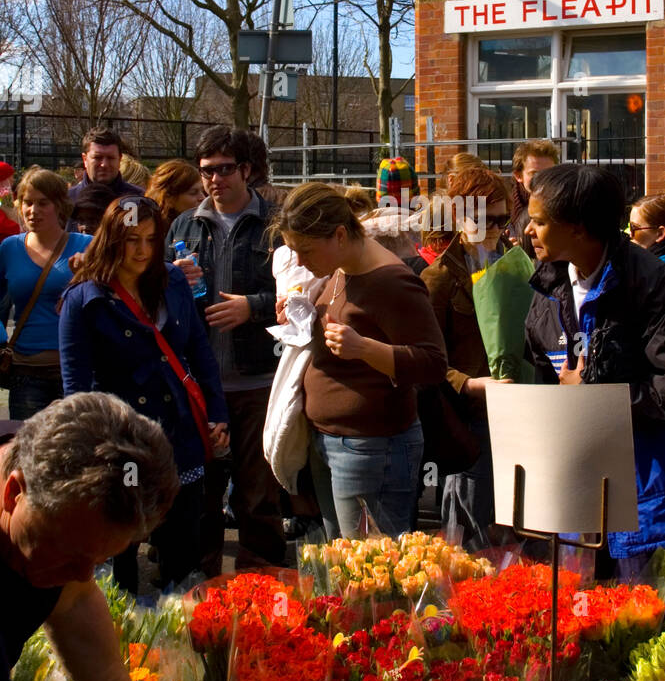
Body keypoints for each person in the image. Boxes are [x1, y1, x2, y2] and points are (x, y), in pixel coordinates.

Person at [0, 393, 200, 681]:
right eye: (72, 555)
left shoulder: (53, 531)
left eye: (100, 559)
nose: (83, 574)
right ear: (13, 492)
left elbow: (72, 606)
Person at [524, 165, 665, 576]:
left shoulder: (655, 286)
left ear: (578, 229)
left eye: (540, 221)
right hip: (581, 497)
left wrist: (596, 400)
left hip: (653, 498)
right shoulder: (549, 286)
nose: (527, 230)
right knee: (584, 628)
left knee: (650, 632)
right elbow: (545, 367)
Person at [59, 196, 229, 592]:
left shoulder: (171, 281)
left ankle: (179, 630)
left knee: (182, 541)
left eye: (152, 239)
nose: (142, 250)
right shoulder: (83, 298)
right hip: (118, 439)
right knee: (118, 550)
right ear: (110, 239)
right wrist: (91, 449)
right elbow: (76, 387)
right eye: (131, 239)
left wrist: (216, 410)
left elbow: (200, 354)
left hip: (178, 431)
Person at [278, 183, 447, 539]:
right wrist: (302, 315)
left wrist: (365, 348)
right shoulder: (342, 267)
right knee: (346, 568)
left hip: (372, 448)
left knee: (372, 573)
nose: (299, 262)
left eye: (304, 250)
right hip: (336, 442)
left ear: (340, 234)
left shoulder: (392, 281)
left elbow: (433, 363)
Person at [166, 127, 286, 574]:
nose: (215, 179)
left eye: (225, 169)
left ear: (247, 170)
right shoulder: (184, 225)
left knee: (258, 494)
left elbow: (301, 292)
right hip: (200, 383)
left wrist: (252, 308)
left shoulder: (276, 223)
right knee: (201, 492)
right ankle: (202, 588)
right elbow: (155, 295)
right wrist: (171, 279)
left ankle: (263, 584)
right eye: (207, 171)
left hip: (258, 380)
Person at [421, 168, 515, 536]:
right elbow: (427, 358)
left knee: (510, 521)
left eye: (502, 219)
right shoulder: (439, 277)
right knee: (467, 523)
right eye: (482, 218)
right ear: (459, 216)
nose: (493, 228)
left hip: (514, 409)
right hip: (468, 417)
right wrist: (470, 384)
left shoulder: (518, 264)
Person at [0, 169, 91, 420]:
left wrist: (89, 276)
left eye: (43, 203)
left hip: (77, 370)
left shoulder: (87, 245)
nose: (33, 210)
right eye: (28, 203)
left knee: (76, 451)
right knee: (29, 452)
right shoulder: (9, 248)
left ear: (60, 206)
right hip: (26, 373)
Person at [510, 138, 560, 256]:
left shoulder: (564, 206)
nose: (543, 179)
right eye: (535, 174)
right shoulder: (503, 210)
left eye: (549, 173)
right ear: (518, 175)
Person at [68, 128, 145, 204]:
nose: (104, 164)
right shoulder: (67, 200)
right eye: (97, 157)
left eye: (110, 158)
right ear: (85, 159)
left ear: (119, 159)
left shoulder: (138, 200)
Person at [147, 158, 207, 226]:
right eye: (193, 193)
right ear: (169, 198)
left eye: (203, 191)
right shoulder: (147, 230)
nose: (203, 198)